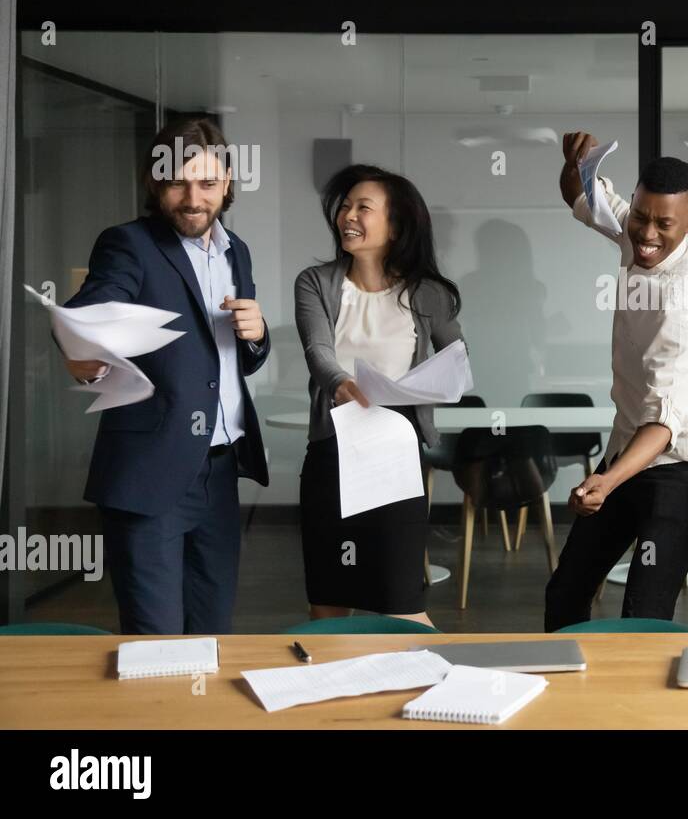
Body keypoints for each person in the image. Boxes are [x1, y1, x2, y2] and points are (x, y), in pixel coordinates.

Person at [61, 116, 269, 634]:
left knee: (211, 633)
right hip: (151, 474)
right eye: (178, 182)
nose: (193, 198)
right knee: (155, 642)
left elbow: (234, 361)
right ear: (156, 183)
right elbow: (91, 311)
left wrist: (257, 334)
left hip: (221, 474)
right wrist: (83, 350)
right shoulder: (128, 244)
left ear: (227, 184)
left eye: (207, 182)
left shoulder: (236, 251)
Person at [543, 132, 688, 631]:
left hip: (679, 464)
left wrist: (605, 480)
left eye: (663, 224)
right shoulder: (641, 227)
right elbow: (579, 196)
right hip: (628, 445)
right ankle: (569, 701)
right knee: (566, 590)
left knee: (643, 615)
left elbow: (664, 425)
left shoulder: (684, 304)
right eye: (640, 215)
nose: (644, 233)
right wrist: (573, 162)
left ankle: (639, 710)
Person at [294, 165, 464, 628]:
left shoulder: (426, 293)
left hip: (395, 456)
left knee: (401, 601)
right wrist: (340, 384)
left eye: (363, 208)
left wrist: (437, 382)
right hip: (332, 453)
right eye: (345, 206)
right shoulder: (316, 283)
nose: (348, 215)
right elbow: (317, 350)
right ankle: (333, 694)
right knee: (328, 602)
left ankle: (438, 689)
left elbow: (456, 359)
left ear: (396, 225)